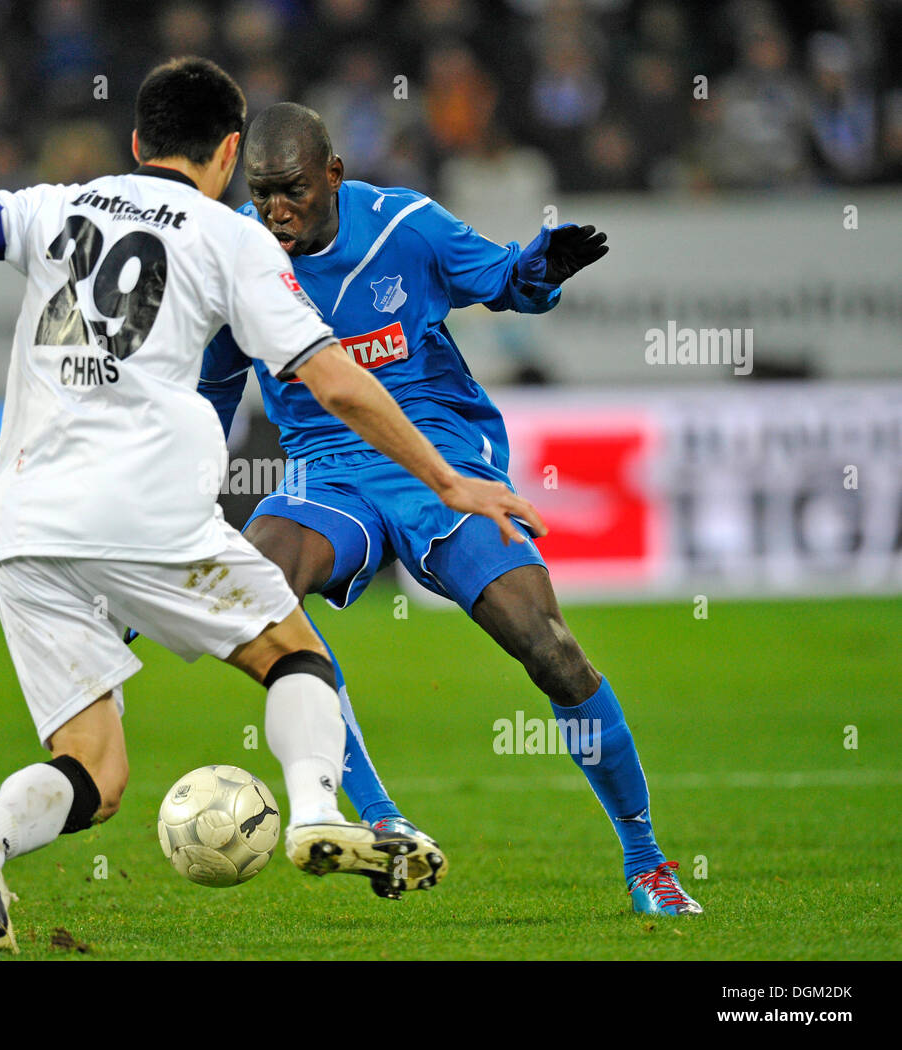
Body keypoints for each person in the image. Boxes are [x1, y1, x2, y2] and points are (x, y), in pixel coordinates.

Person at [0, 59, 549, 952]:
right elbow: (334, 381)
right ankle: (317, 813)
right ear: (230, 153)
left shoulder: (54, 207)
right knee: (294, 655)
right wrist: (448, 480)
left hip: (22, 527)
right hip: (144, 511)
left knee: (95, 771)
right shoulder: (232, 239)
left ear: (136, 142)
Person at [198, 102, 702, 916]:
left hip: (439, 461)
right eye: (261, 193)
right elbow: (214, 393)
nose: (276, 210)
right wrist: (179, 502)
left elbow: (507, 283)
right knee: (260, 590)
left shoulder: (407, 226)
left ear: (333, 174)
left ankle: (647, 862)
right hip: (327, 470)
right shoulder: (239, 259)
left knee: (550, 649)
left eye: (292, 189)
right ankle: (380, 818)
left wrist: (541, 267)